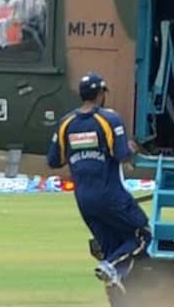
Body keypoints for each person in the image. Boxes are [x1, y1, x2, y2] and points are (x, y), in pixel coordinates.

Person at [47, 72, 151, 293]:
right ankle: (109, 267)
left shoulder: (66, 123)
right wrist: (131, 149)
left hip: (84, 200)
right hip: (111, 196)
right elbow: (121, 154)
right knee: (142, 236)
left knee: (115, 247)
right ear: (101, 94)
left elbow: (54, 160)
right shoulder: (109, 119)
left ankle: (118, 287)